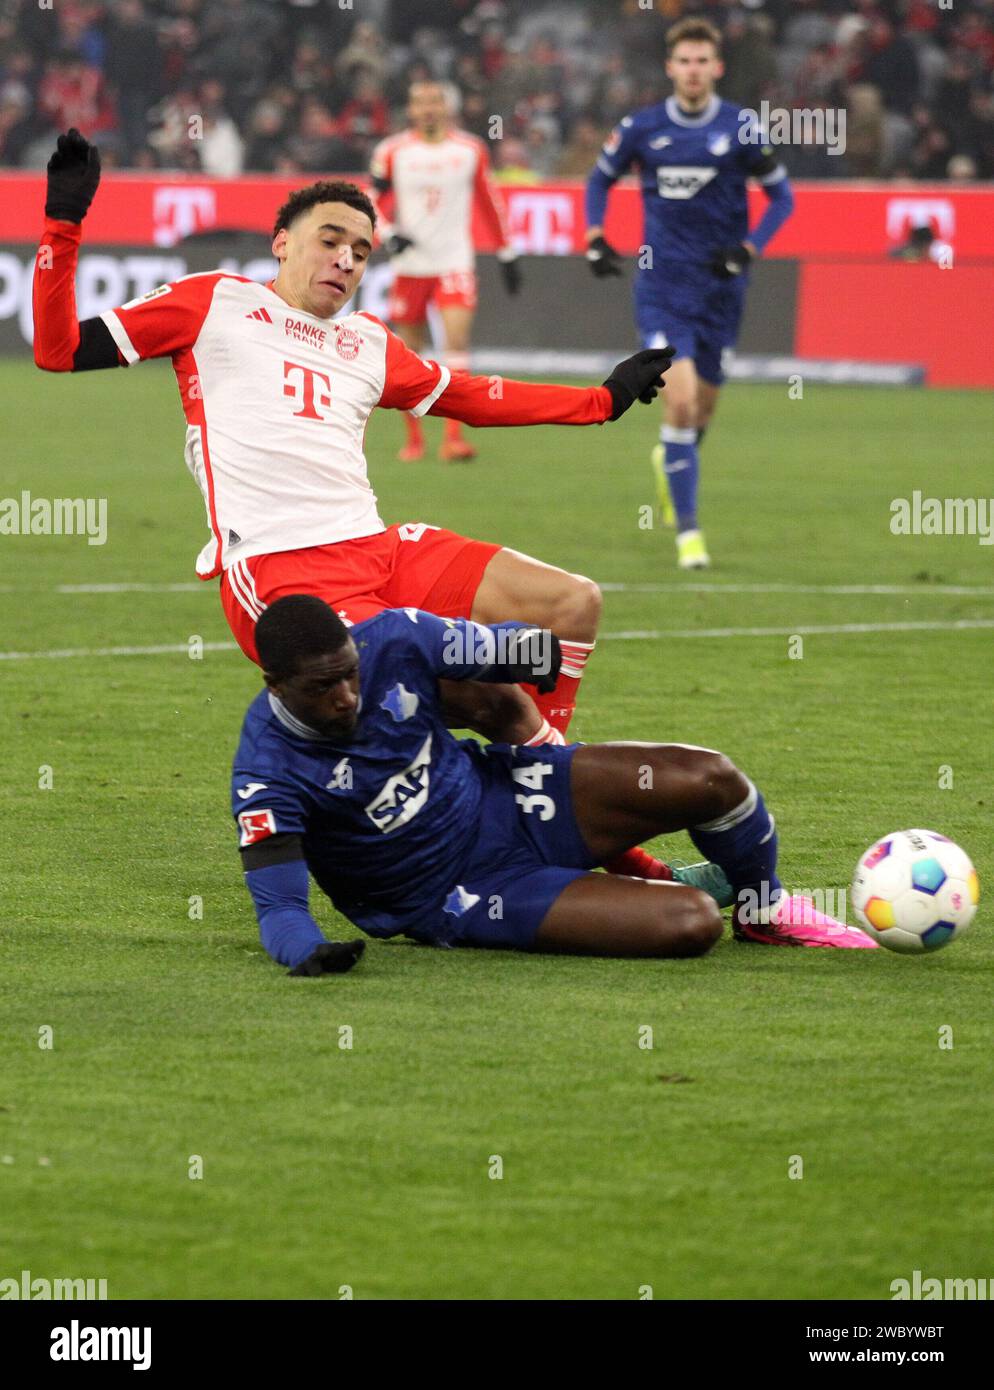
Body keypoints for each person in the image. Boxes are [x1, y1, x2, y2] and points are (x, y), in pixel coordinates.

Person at [33, 126, 675, 878]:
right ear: (280, 242)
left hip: (376, 548)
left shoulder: (368, 343)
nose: (345, 259)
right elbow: (57, 350)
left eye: (361, 251)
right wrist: (63, 224)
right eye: (329, 239)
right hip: (279, 570)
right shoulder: (213, 303)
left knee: (572, 603)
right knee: (481, 691)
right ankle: (573, 832)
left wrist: (599, 401)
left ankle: (545, 804)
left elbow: (473, 395)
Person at [233, 595, 876, 975]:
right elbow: (281, 909)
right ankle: (650, 888)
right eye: (323, 687)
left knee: (710, 777)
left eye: (349, 674)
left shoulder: (392, 638)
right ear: (275, 685)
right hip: (457, 891)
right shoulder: (266, 771)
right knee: (691, 923)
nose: (347, 696)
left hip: (507, 798)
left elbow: (495, 647)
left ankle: (764, 910)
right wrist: (307, 953)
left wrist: (529, 651)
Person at [584, 16, 795, 570]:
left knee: (700, 410)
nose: (694, 70)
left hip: (722, 290)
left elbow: (783, 200)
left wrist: (749, 249)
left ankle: (671, 460)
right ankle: (690, 536)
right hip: (663, 287)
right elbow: (599, 180)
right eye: (685, 61)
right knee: (677, 400)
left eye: (703, 60)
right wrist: (595, 235)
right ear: (670, 67)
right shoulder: (642, 127)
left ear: (717, 67)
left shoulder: (742, 128)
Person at [370, 79, 521, 462]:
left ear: (446, 107)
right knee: (411, 353)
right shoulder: (393, 151)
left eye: (435, 101)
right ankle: (415, 440)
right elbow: (369, 199)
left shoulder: (470, 149)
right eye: (420, 102)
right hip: (410, 266)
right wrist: (388, 235)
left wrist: (506, 251)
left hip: (454, 261)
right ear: (411, 110)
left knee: (455, 344)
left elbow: (490, 199)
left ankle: (453, 438)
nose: (428, 108)